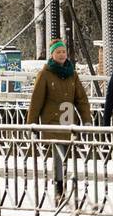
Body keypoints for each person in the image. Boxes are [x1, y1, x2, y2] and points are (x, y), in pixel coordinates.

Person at [28, 39, 92, 198]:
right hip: (52, 123)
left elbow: (81, 99)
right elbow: (36, 101)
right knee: (59, 154)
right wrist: (31, 125)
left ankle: (66, 183)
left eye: (63, 52)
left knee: (66, 155)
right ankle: (59, 187)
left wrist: (87, 120)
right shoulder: (45, 74)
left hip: (68, 121)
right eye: (58, 52)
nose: (62, 54)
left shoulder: (72, 74)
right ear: (52, 55)